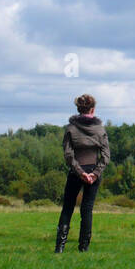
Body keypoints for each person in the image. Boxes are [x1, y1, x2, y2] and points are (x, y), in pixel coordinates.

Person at [56, 94, 110, 254]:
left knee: (67, 208)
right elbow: (106, 156)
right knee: (87, 210)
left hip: (75, 172)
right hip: (94, 170)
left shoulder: (71, 129)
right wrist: (94, 174)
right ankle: (84, 247)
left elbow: (68, 154)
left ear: (79, 109)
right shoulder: (100, 130)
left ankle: (60, 247)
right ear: (93, 109)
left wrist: (79, 172)